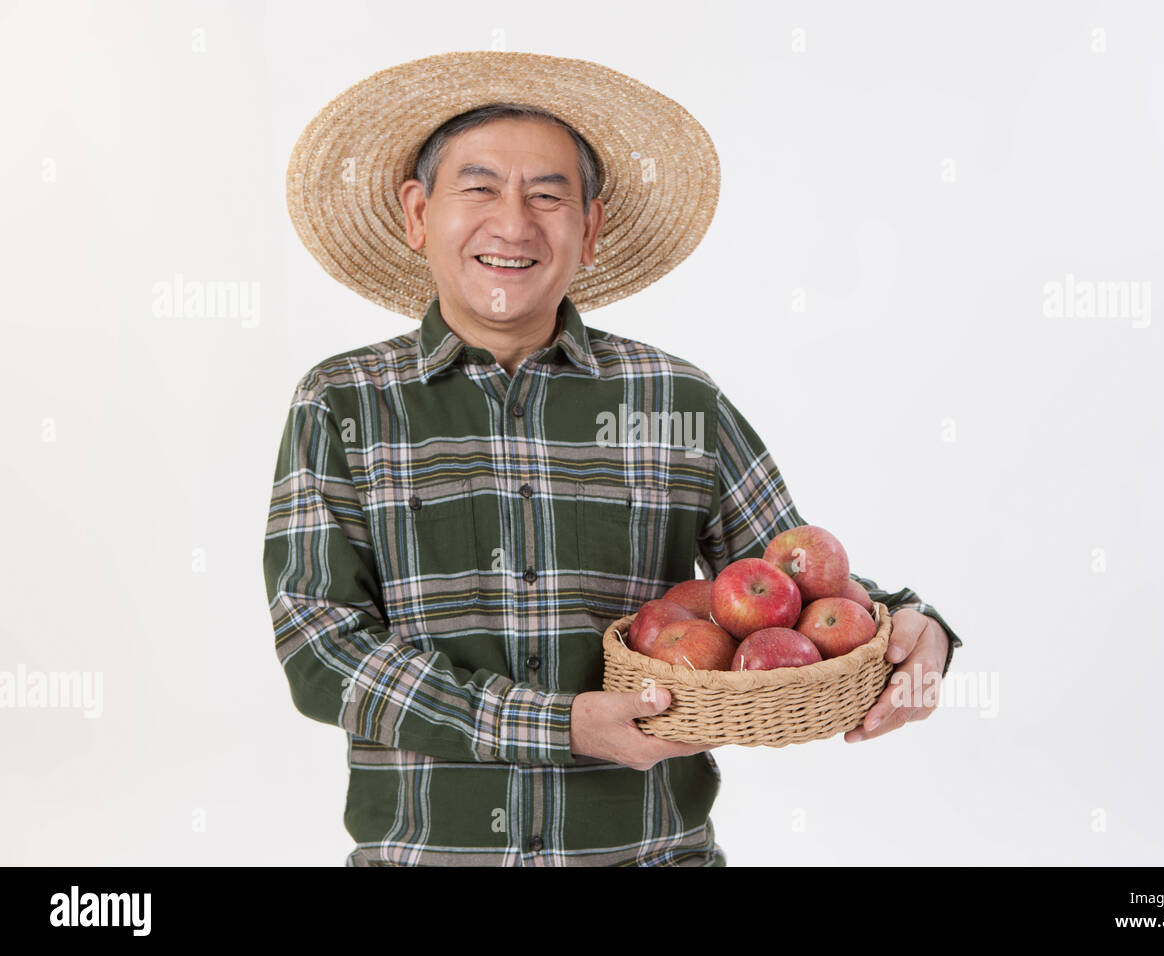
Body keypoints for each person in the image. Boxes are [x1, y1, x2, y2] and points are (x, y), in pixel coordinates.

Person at [264, 51, 963, 867]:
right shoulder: (343, 402)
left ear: (590, 231)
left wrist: (921, 629)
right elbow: (321, 649)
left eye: (549, 196)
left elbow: (796, 586)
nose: (514, 223)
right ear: (419, 214)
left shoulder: (674, 399)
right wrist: (556, 725)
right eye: (479, 188)